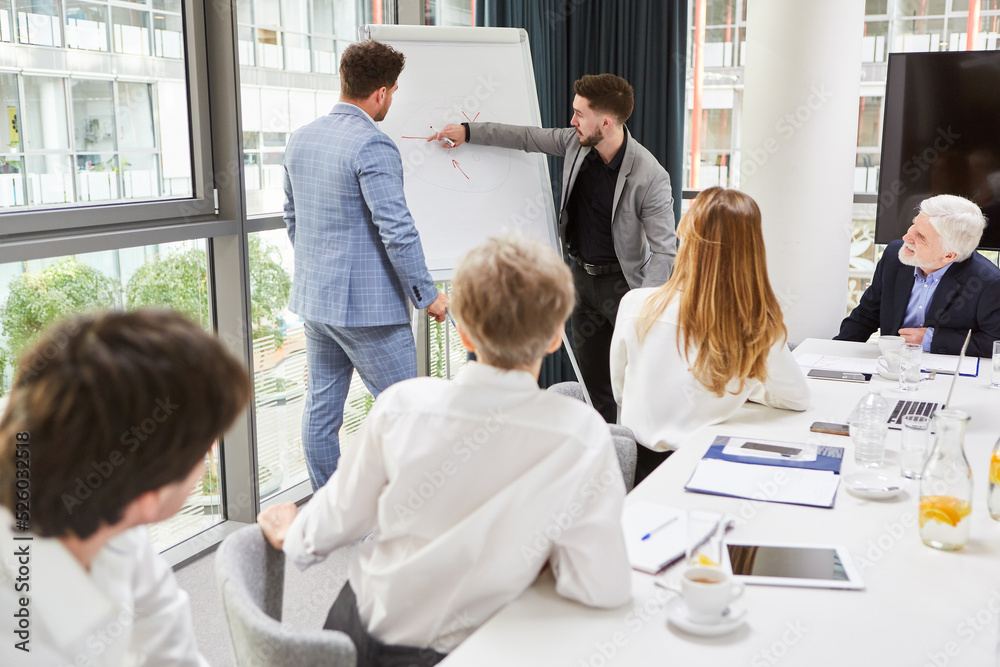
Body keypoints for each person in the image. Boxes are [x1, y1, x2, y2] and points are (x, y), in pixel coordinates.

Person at [259, 234, 632, 666]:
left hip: (360, 638)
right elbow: (603, 586)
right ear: (554, 338)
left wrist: (296, 533)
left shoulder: (402, 406)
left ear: (464, 333)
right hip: (484, 649)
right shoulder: (581, 433)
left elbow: (340, 517)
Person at [0, 309, 251, 666]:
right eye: (206, 446)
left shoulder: (109, 511)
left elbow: (169, 645)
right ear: (150, 497)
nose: (209, 454)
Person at [431, 73, 677, 424]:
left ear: (605, 122)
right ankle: (605, 454)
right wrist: (468, 131)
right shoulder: (576, 143)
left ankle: (640, 465)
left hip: (624, 288)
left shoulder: (649, 175)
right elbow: (526, 137)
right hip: (581, 281)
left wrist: (645, 308)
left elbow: (665, 251)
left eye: (579, 114)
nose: (572, 120)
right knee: (595, 387)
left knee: (637, 383)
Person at [284, 40, 449, 491]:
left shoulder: (301, 139)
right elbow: (397, 231)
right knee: (409, 414)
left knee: (321, 411)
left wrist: (325, 267)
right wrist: (428, 294)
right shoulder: (372, 144)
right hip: (369, 312)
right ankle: (412, 518)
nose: (391, 101)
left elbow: (292, 218)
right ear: (380, 92)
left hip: (317, 303)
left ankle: (329, 511)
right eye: (392, 92)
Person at [610, 187, 810, 484]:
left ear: (687, 240)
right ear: (752, 249)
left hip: (637, 469)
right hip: (713, 472)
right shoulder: (755, 324)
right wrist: (740, 386)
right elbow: (797, 397)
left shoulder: (635, 305)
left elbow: (621, 392)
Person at [836, 194, 1000, 357]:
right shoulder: (895, 255)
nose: (906, 237)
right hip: (891, 364)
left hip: (945, 373)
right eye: (913, 225)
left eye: (920, 236)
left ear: (949, 255)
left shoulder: (988, 282)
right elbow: (866, 315)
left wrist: (931, 339)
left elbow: (994, 342)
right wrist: (834, 354)